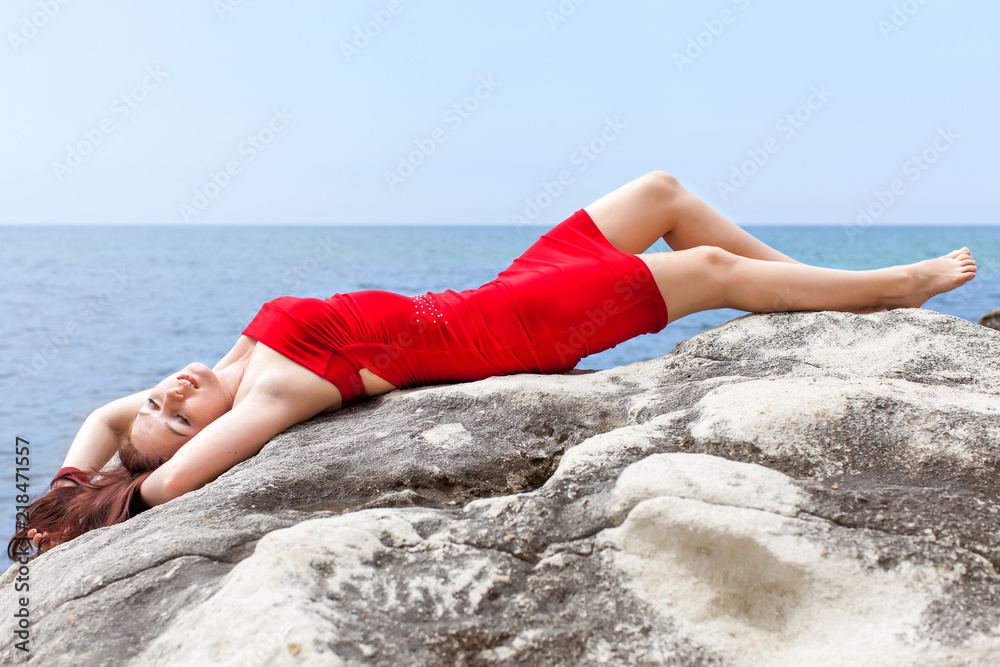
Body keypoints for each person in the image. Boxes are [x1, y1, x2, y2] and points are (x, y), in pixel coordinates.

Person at [8, 171, 977, 558]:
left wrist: (59, 491)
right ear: (205, 433)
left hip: (494, 289)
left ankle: (815, 290)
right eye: (176, 411)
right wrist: (105, 511)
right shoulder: (266, 392)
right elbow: (169, 477)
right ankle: (888, 288)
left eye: (161, 394)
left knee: (661, 192)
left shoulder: (223, 363)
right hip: (517, 331)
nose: (169, 391)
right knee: (704, 269)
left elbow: (106, 420)